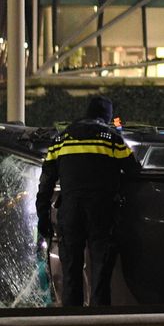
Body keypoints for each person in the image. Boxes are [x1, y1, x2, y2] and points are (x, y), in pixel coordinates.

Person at [35, 95, 140, 306]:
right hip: (102, 212)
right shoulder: (112, 139)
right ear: (106, 117)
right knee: (100, 276)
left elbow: (45, 183)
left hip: (71, 212)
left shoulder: (61, 140)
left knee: (71, 273)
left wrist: (43, 217)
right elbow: (134, 170)